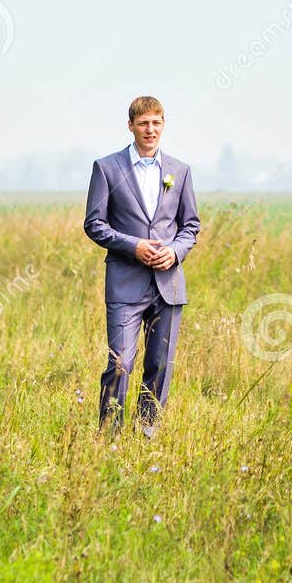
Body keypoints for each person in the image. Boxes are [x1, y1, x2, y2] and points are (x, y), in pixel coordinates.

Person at [83, 96, 200, 437]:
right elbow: (94, 224)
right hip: (125, 283)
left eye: (156, 123)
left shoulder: (180, 170)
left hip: (168, 285)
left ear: (164, 125)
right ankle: (109, 435)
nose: (150, 129)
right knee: (120, 362)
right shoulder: (107, 168)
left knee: (160, 365)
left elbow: (190, 225)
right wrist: (133, 246)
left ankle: (147, 434)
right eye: (144, 123)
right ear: (131, 126)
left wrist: (175, 252)